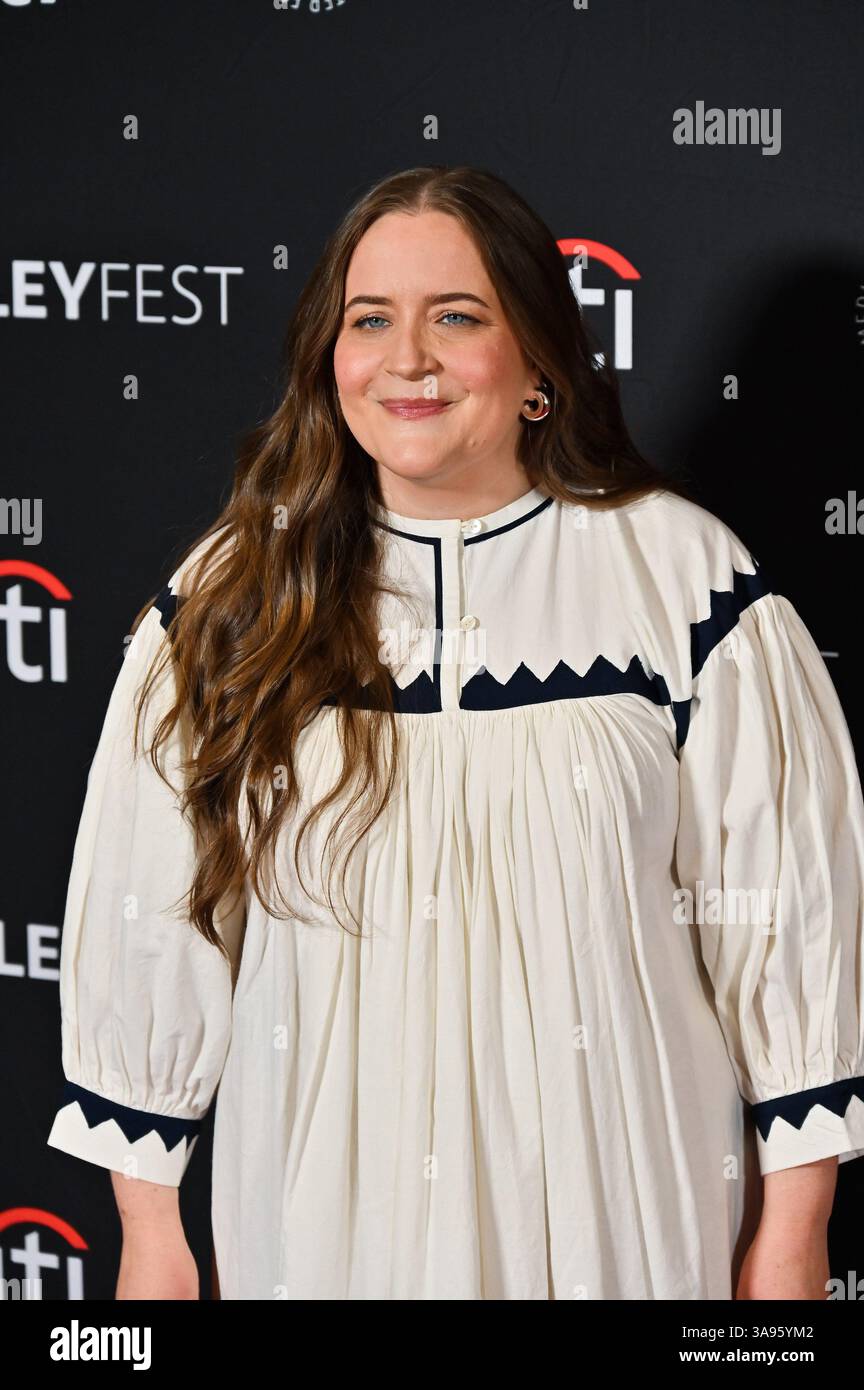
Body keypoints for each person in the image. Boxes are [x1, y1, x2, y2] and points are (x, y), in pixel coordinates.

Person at [46, 164, 864, 1300]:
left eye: (459, 317)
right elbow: (151, 912)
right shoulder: (234, 594)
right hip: (326, 1206)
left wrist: (794, 1228)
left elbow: (783, 915)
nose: (408, 358)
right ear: (330, 359)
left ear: (537, 361)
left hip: (623, 1205)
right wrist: (152, 1230)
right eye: (370, 319)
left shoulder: (683, 577)